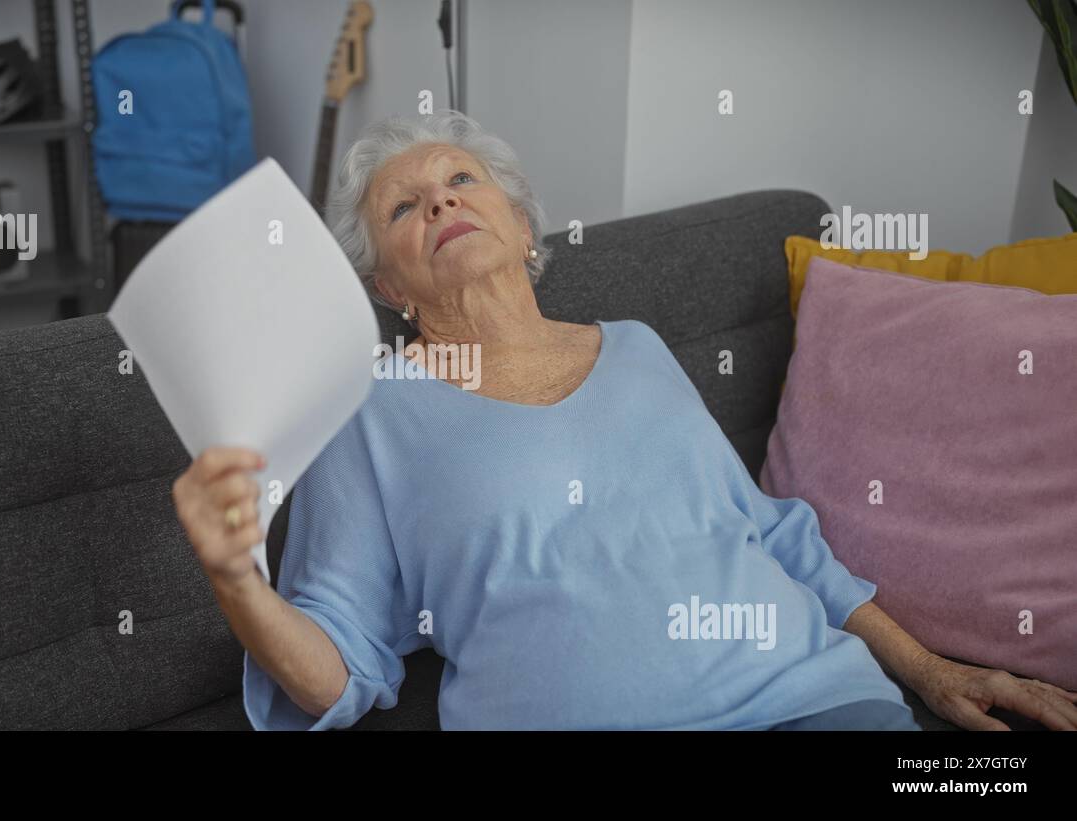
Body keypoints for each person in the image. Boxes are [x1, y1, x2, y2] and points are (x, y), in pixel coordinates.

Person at [171, 110, 1077, 731]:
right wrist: (233, 578)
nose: (442, 201)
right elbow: (341, 661)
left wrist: (930, 672)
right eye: (405, 207)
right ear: (389, 287)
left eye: (460, 180)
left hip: (811, 697)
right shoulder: (371, 408)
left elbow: (771, 537)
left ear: (524, 229)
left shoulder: (637, 347)